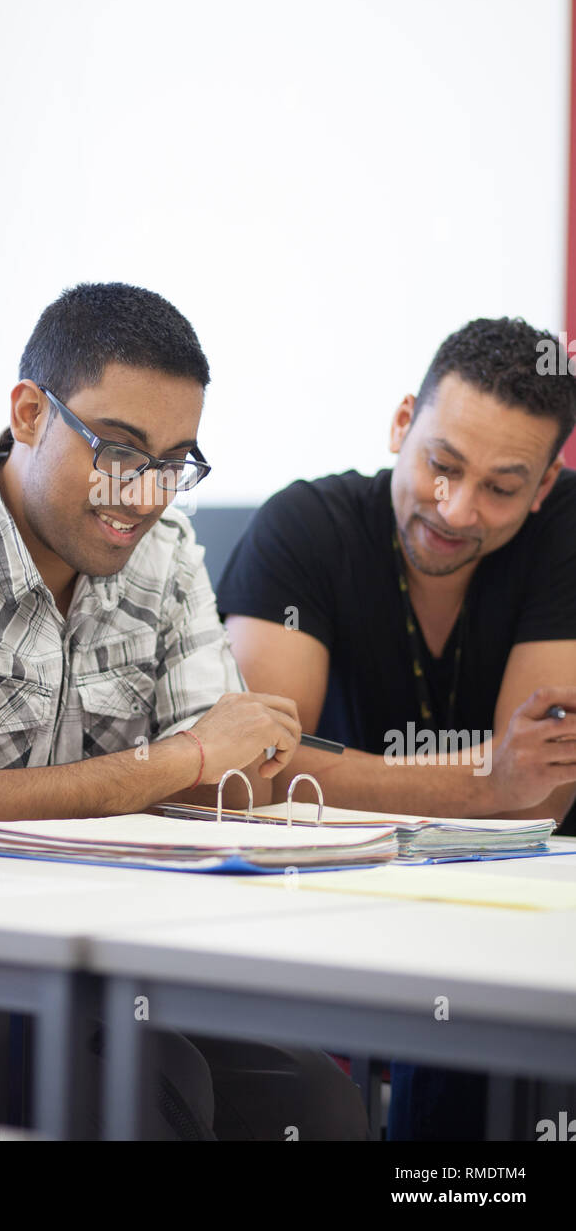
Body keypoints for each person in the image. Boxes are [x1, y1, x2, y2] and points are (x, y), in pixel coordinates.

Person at [0, 281, 368, 1140]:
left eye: (173, 461)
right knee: (139, 1085)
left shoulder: (163, 552)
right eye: (119, 449)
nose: (146, 492)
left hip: (97, 963)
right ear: (28, 413)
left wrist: (211, 762)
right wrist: (177, 763)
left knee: (311, 1100)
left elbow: (231, 768)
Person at [216, 315, 576, 1139]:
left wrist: (492, 788)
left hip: (538, 916)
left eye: (501, 486)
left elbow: (540, 798)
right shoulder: (303, 529)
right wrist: (486, 780)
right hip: (342, 903)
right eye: (441, 465)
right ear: (401, 422)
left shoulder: (568, 535)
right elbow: (253, 774)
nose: (455, 509)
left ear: (546, 488)